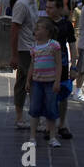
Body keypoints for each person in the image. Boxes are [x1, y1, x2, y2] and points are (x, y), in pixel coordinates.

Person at [9, 0, 42, 129]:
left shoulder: (32, 2)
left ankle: (24, 117)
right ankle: (24, 117)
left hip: (33, 49)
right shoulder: (22, 4)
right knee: (29, 83)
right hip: (25, 50)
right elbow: (14, 29)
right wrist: (14, 55)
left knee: (25, 82)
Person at [45, 0, 76, 139]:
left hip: (62, 64)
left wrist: (74, 66)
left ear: (58, 9)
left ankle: (62, 125)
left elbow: (72, 44)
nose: (48, 10)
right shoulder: (44, 24)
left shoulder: (66, 25)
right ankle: (48, 126)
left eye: (50, 8)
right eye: (46, 7)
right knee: (48, 94)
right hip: (45, 63)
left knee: (62, 94)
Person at [27, 18, 62, 148]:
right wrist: (28, 80)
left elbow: (59, 64)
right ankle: (32, 136)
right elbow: (32, 64)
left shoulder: (54, 45)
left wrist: (57, 81)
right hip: (37, 82)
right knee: (34, 109)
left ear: (47, 31)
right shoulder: (34, 47)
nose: (35, 30)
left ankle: (52, 136)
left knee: (51, 109)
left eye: (39, 28)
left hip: (50, 82)